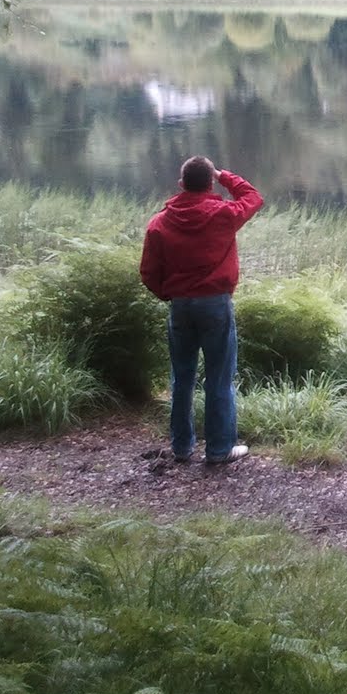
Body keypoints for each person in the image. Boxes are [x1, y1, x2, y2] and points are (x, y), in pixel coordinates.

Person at [140, 156, 264, 465]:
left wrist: (169, 295)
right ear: (210, 183)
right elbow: (253, 197)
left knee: (182, 378)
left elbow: (149, 273)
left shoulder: (159, 223)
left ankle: (182, 447)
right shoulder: (223, 214)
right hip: (215, 304)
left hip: (180, 306)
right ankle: (220, 450)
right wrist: (223, 175)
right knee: (219, 378)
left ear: (181, 184)